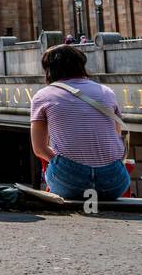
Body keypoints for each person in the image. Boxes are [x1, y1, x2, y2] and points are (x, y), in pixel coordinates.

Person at [30, 43, 131, 201]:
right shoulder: (107, 92)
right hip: (114, 184)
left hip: (69, 184)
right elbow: (116, 135)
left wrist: (62, 163)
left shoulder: (43, 96)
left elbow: (39, 149)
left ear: (48, 69)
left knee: (51, 168)